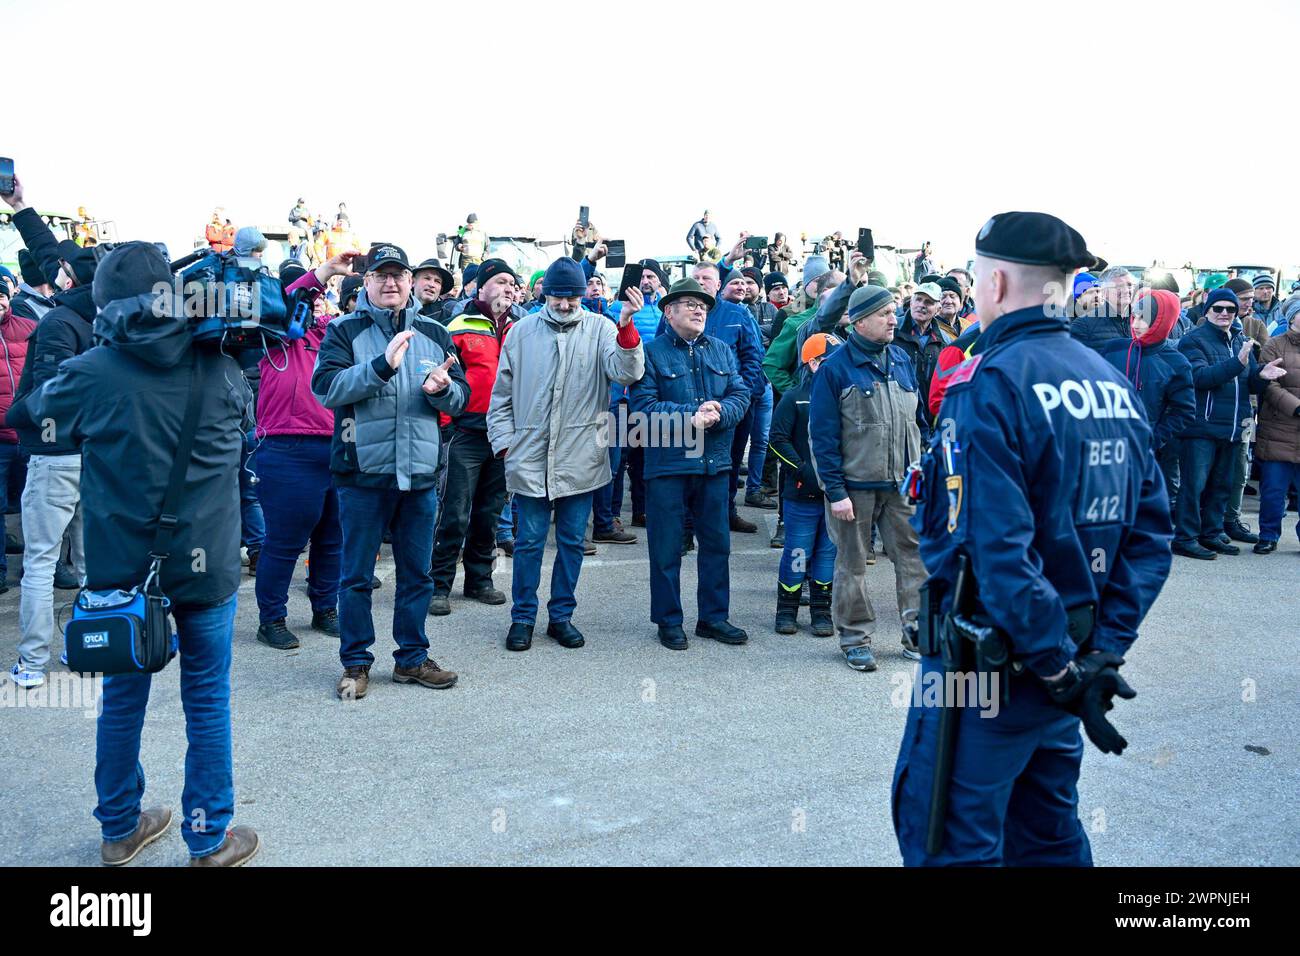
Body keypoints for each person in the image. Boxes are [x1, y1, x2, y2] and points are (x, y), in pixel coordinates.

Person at [894, 211, 1174, 867]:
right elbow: (1151, 534)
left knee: (946, 839)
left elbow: (992, 550)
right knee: (1047, 836)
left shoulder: (990, 381)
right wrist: (1096, 655)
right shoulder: (1111, 382)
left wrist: (1055, 662)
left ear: (993, 284)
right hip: (1067, 666)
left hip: (991, 671)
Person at [29, 240, 260, 866]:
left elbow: (33, 420)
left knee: (123, 697)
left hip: (120, 567)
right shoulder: (222, 366)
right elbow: (248, 430)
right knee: (207, 698)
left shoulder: (90, 372)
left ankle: (120, 828)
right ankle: (209, 838)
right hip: (207, 562)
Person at [311, 244, 468, 700]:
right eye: (381, 275)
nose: (391, 283)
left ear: (409, 281)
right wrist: (381, 367)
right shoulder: (344, 331)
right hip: (362, 474)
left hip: (419, 475)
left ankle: (412, 659)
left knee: (417, 573)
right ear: (367, 282)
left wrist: (442, 392)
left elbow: (460, 396)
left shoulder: (436, 331)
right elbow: (326, 389)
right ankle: (356, 662)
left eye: (398, 275)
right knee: (356, 576)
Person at [487, 257, 644, 651]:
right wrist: (505, 443)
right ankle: (522, 618)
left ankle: (561, 616)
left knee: (573, 541)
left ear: (581, 295)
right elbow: (501, 394)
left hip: (581, 457)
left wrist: (626, 326)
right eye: (557, 296)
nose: (564, 304)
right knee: (529, 542)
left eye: (572, 297)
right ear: (544, 293)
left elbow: (627, 373)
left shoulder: (603, 328)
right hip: (530, 455)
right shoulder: (521, 332)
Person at [3, 179, 97, 687]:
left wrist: (17, 415)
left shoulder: (61, 321)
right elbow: (51, 253)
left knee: (39, 564)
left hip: (58, 456)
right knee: (87, 567)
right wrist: (21, 206)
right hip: (97, 457)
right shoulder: (113, 312)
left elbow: (52, 397)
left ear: (67, 278)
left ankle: (33, 663)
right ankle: (86, 650)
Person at [809, 284, 927, 671]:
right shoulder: (834, 368)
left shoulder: (902, 360)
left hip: (903, 486)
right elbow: (822, 437)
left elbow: (918, 422)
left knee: (914, 560)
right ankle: (856, 639)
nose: (894, 319)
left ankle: (916, 632)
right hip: (854, 489)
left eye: (894, 312)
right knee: (853, 565)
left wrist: (922, 467)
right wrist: (835, 491)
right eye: (884, 314)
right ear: (859, 322)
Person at [630, 277, 750, 650]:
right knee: (666, 549)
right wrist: (690, 416)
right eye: (689, 303)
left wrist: (721, 412)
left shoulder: (720, 350)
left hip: (714, 464)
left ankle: (714, 618)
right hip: (668, 466)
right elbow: (642, 408)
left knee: (717, 545)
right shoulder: (650, 352)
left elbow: (741, 392)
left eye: (703, 305)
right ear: (669, 311)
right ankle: (668, 620)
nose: (699, 309)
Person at [250, 256, 357, 650]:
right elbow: (287, 297)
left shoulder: (329, 332)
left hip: (335, 445)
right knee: (284, 542)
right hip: (287, 448)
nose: (312, 301)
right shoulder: (272, 332)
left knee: (333, 538)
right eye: (305, 293)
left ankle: (324, 608)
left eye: (317, 296)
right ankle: (272, 618)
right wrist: (321, 274)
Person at [429, 259, 518, 616]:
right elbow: (442, 376)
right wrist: (448, 424)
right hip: (465, 432)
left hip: (503, 434)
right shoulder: (457, 324)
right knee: (454, 511)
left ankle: (479, 580)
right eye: (500, 281)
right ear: (480, 288)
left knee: (489, 513)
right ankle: (438, 584)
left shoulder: (521, 327)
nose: (509, 288)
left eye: (513, 282)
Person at [1173, 288, 1284, 559]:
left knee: (1221, 485)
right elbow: (1200, 378)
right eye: (1218, 308)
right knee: (1194, 486)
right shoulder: (1193, 340)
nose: (1224, 314)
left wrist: (1263, 376)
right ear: (1208, 310)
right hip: (1202, 426)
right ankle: (1185, 537)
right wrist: (1238, 362)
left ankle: (1211, 533)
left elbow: (1248, 383)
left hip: (1234, 425)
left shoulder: (1239, 339)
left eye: (1230, 310)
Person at [768, 332, 840, 636]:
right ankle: (787, 610)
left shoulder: (844, 397)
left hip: (836, 494)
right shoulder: (794, 397)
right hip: (801, 493)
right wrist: (802, 470)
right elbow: (777, 439)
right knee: (798, 552)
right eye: (830, 361)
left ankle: (822, 611)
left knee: (827, 552)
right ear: (812, 363)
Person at [1099, 289, 1195, 514]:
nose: (1136, 323)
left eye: (1144, 318)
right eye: (1135, 316)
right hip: (1105, 447)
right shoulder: (1114, 349)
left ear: (1163, 321)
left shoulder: (1175, 362)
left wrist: (1153, 439)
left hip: (1145, 453)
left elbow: (1184, 411)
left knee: (1138, 513)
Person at [1250, 298, 1300, 554]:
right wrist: (1296, 406)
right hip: (1279, 429)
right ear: (1291, 318)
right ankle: (1268, 535)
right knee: (1273, 491)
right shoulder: (1274, 344)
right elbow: (1268, 385)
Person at [0, 284, 35, 594]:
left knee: (32, 503)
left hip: (26, 434)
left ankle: (35, 566)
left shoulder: (28, 328)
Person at [894, 280, 953, 438]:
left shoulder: (945, 342)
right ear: (911, 301)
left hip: (930, 419)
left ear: (938, 309)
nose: (921, 305)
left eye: (928, 302)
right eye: (918, 299)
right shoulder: (892, 332)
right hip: (899, 418)